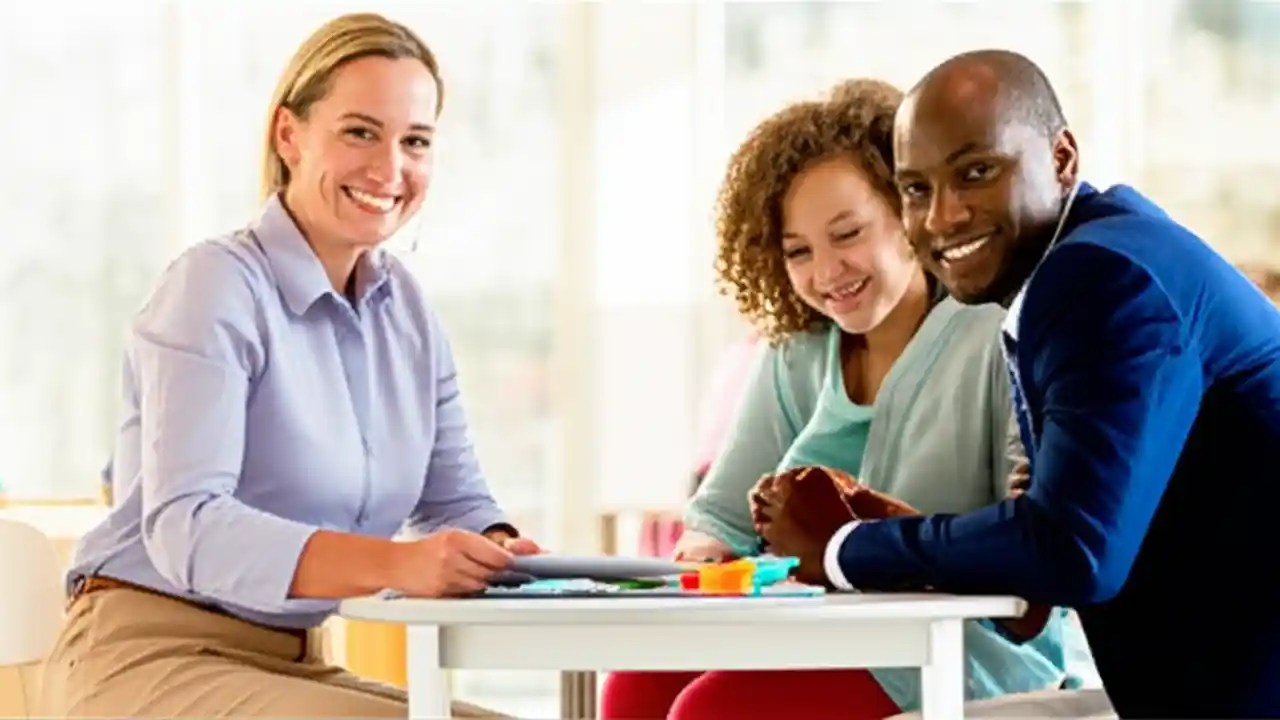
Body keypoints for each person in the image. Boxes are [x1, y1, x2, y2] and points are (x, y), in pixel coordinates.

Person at [38, 13, 538, 718]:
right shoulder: (214, 285)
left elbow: (455, 501)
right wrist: (399, 565)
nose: (389, 169)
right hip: (143, 660)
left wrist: (501, 552)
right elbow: (189, 525)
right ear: (289, 135)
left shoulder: (408, 313)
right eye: (360, 131)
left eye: (415, 141)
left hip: (293, 664)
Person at [757, 49, 1280, 719]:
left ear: (1061, 158)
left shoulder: (1097, 280)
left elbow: (1073, 550)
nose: (942, 217)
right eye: (916, 189)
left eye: (976, 173)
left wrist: (844, 548)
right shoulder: (1101, 254)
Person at [601, 79, 1089, 720]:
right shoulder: (796, 351)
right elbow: (719, 521)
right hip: (810, 634)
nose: (827, 274)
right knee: (632, 687)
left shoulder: (992, 332)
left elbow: (1027, 538)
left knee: (712, 712)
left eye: (847, 234)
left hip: (958, 650)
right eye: (799, 251)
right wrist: (704, 562)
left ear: (907, 213)